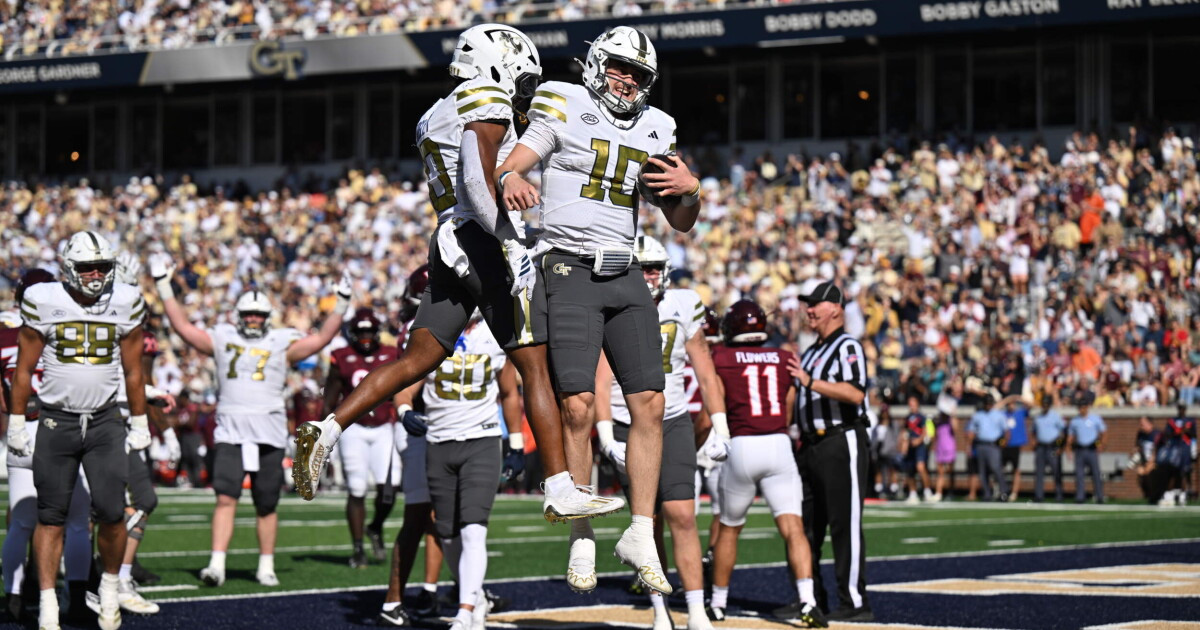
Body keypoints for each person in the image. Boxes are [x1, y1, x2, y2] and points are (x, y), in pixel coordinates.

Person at [291, 24, 624, 535]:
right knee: (535, 364)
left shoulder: (434, 112)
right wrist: (509, 242)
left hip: (447, 237)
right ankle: (560, 485)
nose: (522, 87)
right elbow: (474, 175)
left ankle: (328, 426)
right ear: (498, 63)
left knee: (417, 359)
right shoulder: (485, 96)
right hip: (480, 237)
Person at [495, 24, 703, 595]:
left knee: (651, 403)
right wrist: (513, 174)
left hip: (626, 269)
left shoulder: (658, 126)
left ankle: (639, 530)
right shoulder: (564, 101)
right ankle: (581, 530)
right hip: (568, 264)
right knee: (581, 403)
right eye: (618, 67)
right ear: (595, 64)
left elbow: (680, 218)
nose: (627, 80)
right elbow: (513, 163)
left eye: (638, 74)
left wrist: (691, 190)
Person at [151, 260, 352, 587]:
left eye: (258, 315)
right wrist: (163, 286)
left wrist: (341, 303)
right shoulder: (222, 337)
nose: (254, 320)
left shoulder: (280, 342)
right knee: (225, 498)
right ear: (239, 317)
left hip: (269, 433)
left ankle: (266, 565)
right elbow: (183, 329)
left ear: (267, 318)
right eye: (249, 315)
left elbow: (320, 341)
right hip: (230, 430)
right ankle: (217, 564)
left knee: (266, 503)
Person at [11, 231, 149, 630]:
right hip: (57, 419)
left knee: (110, 511)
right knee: (50, 515)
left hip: (105, 420)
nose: (95, 275)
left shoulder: (125, 300)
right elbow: (23, 370)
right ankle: (50, 602)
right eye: (87, 267)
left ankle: (108, 585)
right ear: (68, 270)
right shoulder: (44, 300)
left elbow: (134, 370)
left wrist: (139, 421)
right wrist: (18, 423)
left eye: (102, 266)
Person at [594, 236, 726, 630]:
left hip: (673, 419)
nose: (649, 275)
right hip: (627, 422)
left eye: (654, 267)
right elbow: (600, 379)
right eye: (641, 267)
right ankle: (659, 611)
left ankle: (697, 610)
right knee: (646, 521)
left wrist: (720, 425)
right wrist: (604, 432)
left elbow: (705, 369)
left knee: (683, 515)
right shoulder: (612, 302)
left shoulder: (683, 303)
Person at [392, 312, 522, 630]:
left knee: (473, 529)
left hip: (482, 439)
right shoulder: (432, 327)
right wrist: (404, 409)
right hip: (439, 440)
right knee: (447, 533)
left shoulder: (496, 330)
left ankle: (465, 613)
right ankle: (474, 598)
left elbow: (508, 392)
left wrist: (516, 444)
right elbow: (406, 378)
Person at [708, 300, 827, 628]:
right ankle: (807, 601)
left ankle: (718, 603)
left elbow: (715, 398)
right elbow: (788, 407)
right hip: (778, 444)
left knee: (730, 528)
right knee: (794, 529)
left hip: (742, 444)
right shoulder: (785, 357)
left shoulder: (720, 357)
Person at [1, 269, 93, 624]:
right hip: (64, 429)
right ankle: (77, 599)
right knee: (75, 522)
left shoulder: (7, 335)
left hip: (22, 429)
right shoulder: (73, 330)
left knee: (22, 523)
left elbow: (6, 400)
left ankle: (13, 597)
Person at [790, 282, 872, 622]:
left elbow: (855, 394)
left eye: (816, 304)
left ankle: (853, 600)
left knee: (844, 524)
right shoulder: (811, 351)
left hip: (841, 440)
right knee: (804, 526)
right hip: (809, 445)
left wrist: (810, 382)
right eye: (807, 304)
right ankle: (812, 599)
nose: (809, 310)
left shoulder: (847, 346)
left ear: (836, 309)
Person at [324, 308, 403, 568]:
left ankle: (376, 526)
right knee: (356, 488)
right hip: (353, 429)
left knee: (388, 488)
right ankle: (358, 548)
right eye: (361, 331)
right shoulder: (341, 356)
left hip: (384, 426)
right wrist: (326, 431)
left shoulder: (391, 354)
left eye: (370, 330)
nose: (366, 336)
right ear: (352, 332)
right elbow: (330, 398)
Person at [966, 394, 1009, 502]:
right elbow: (971, 432)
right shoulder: (978, 415)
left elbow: (1006, 431)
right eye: (987, 403)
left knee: (996, 468)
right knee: (982, 471)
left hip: (993, 445)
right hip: (980, 445)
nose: (988, 405)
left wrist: (1003, 443)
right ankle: (986, 494)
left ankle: (1004, 491)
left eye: (990, 403)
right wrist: (969, 446)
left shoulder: (999, 415)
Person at [1151, 404, 1195, 506]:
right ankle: (1169, 494)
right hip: (1174, 449)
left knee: (1184, 472)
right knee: (1171, 471)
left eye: (1183, 408)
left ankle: (1183, 494)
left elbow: (1194, 435)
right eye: (1179, 408)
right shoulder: (1172, 421)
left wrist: (1186, 431)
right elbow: (1167, 434)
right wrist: (1178, 432)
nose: (1181, 410)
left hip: (1185, 449)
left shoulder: (1190, 421)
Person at [1066, 396, 1106, 504]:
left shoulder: (1095, 419)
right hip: (1079, 449)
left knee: (1096, 473)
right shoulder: (1075, 421)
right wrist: (1068, 449)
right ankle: (1080, 496)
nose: (1081, 409)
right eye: (1079, 407)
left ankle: (1099, 496)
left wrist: (1101, 444)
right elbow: (1070, 437)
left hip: (1092, 449)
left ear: (1087, 407)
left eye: (1083, 407)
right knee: (1079, 474)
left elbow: (1102, 433)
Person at [1031, 398, 1067, 503]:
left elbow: (1063, 432)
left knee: (1056, 472)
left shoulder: (1056, 416)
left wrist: (1060, 447)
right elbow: (1033, 431)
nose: (1045, 406)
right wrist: (1034, 442)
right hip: (1041, 447)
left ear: (1049, 405)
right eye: (1043, 404)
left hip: (1052, 446)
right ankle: (1039, 495)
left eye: (1047, 404)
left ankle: (1059, 495)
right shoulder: (1038, 417)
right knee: (1039, 472)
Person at [901, 396, 933, 503]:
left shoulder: (922, 417)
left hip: (919, 446)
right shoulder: (907, 418)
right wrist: (905, 445)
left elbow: (925, 431)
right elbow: (905, 432)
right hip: (910, 446)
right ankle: (913, 493)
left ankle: (927, 491)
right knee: (910, 470)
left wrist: (918, 441)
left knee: (921, 467)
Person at [999, 395, 1030, 501]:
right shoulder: (1003, 414)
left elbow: (1031, 406)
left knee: (1016, 470)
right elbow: (996, 407)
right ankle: (1001, 490)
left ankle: (1014, 492)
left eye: (1012, 403)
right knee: (1000, 469)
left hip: (1016, 445)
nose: (1011, 405)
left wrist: (1019, 398)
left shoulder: (1020, 412)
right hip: (1004, 445)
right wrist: (1008, 398)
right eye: (1009, 404)